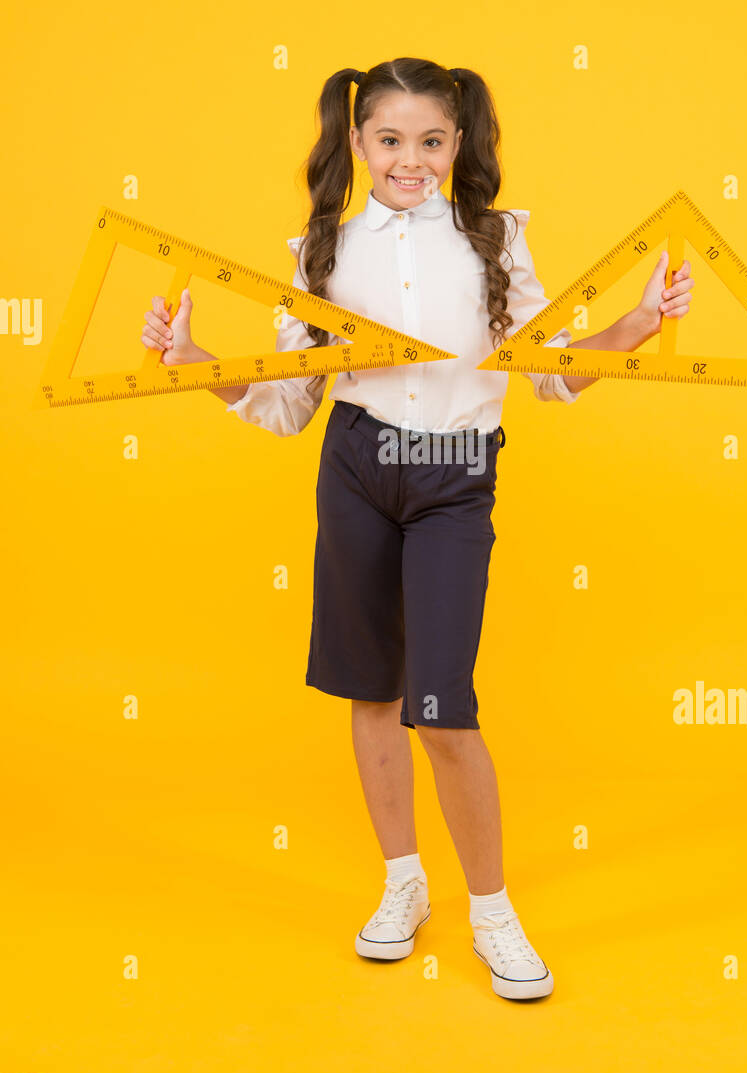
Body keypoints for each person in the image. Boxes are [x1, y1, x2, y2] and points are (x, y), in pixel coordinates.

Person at [139, 57, 694, 1001]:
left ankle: (492, 912)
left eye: (430, 141)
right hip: (355, 469)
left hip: (454, 479)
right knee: (370, 691)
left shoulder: (495, 243)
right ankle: (402, 884)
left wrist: (633, 330)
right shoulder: (319, 250)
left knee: (443, 708)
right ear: (355, 142)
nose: (410, 160)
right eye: (389, 140)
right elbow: (284, 407)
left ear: (457, 144)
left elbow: (553, 373)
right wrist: (198, 363)